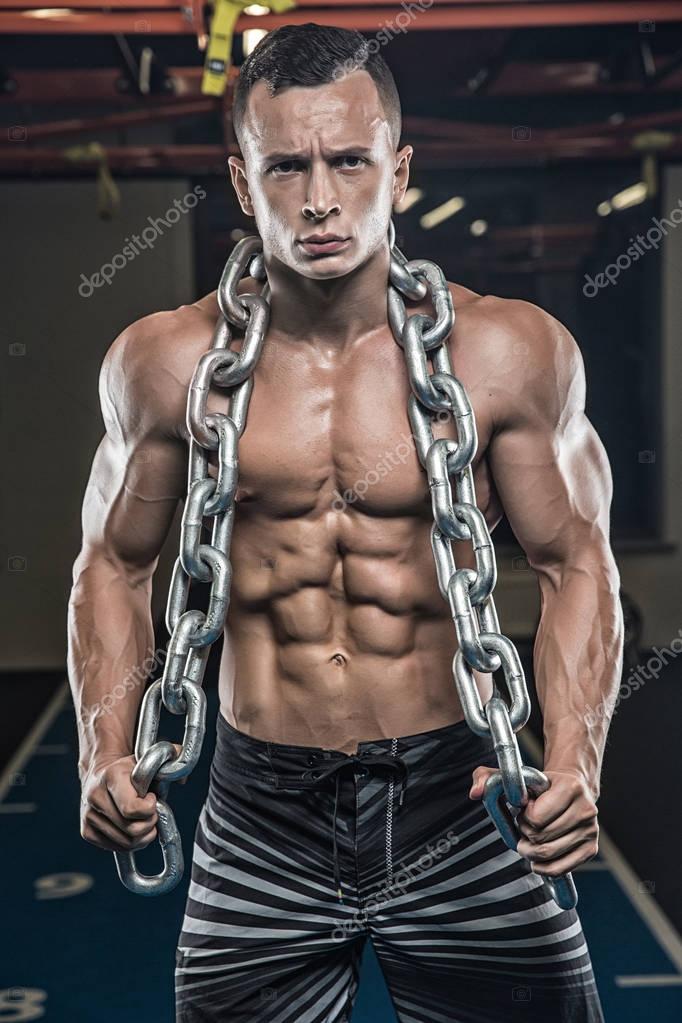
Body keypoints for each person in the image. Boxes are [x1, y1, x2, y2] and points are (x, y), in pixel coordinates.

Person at [69, 22, 622, 1023]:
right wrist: (103, 752)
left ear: (398, 170)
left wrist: (575, 764)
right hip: (259, 813)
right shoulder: (166, 364)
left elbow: (576, 561)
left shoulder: (505, 353)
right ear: (243, 184)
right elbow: (112, 565)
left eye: (350, 161)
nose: (319, 198)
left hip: (460, 801)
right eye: (285, 166)